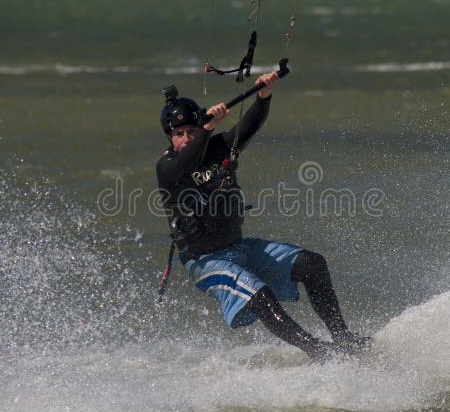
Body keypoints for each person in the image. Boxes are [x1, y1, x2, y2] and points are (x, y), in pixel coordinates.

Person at [155, 71, 369, 361]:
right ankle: (318, 351)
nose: (185, 138)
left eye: (191, 131)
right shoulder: (167, 166)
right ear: (170, 138)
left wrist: (264, 95)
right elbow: (186, 161)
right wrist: (205, 129)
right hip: (206, 261)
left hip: (239, 248)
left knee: (312, 264)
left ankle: (344, 340)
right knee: (260, 294)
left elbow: (249, 125)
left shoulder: (219, 148)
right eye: (178, 134)